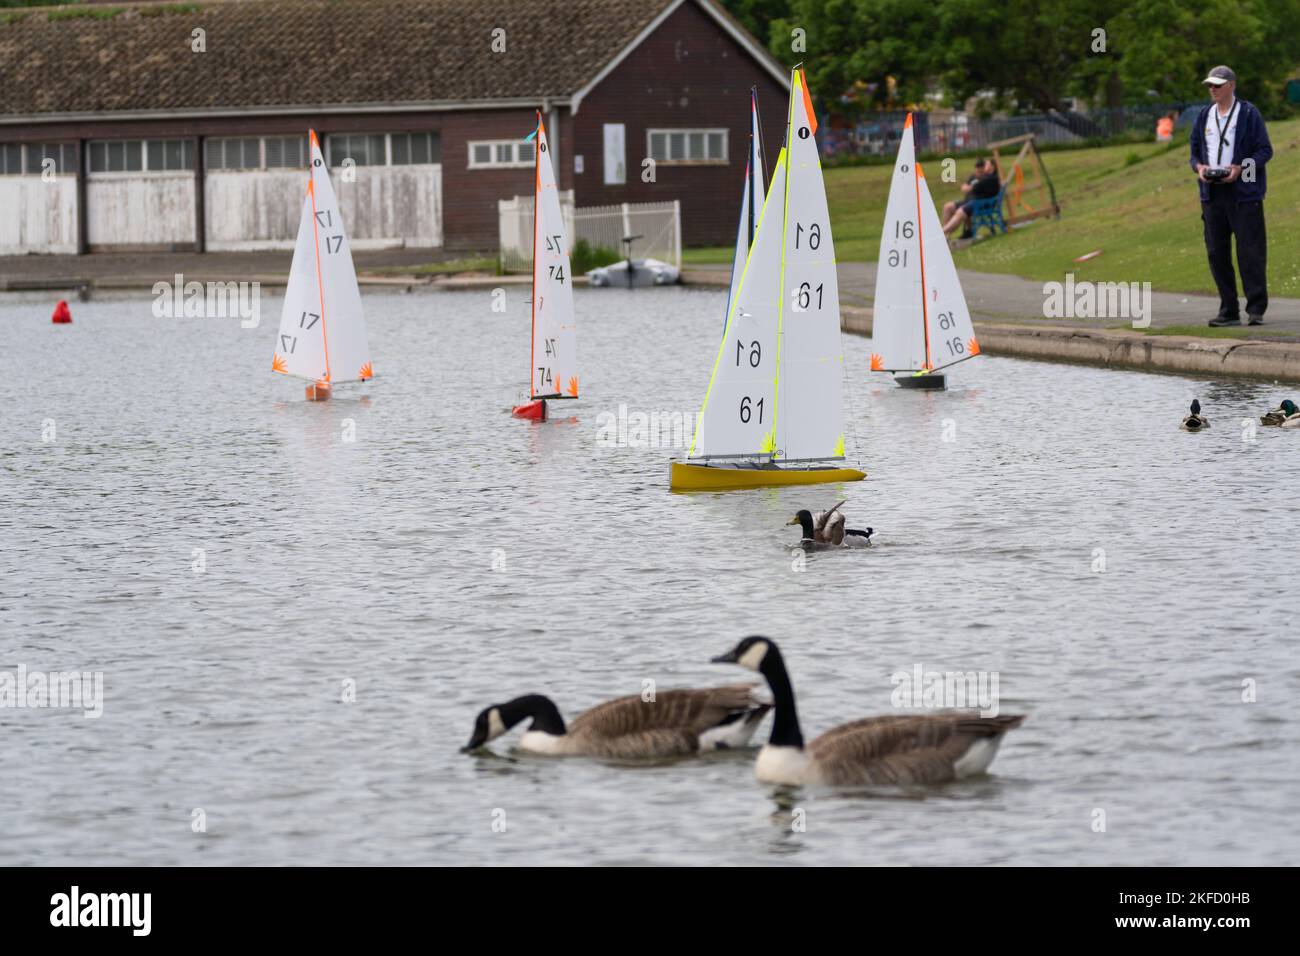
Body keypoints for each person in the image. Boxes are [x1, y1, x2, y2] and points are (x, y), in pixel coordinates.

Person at [1188, 65, 1272, 326]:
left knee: (1250, 251)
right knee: (1216, 252)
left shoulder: (1248, 113)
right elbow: (1194, 152)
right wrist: (1200, 168)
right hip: (1212, 193)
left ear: (1231, 85)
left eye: (1217, 85)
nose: (1212, 89)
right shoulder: (1204, 116)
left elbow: (1264, 151)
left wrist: (1239, 169)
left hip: (1244, 193)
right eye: (1209, 85)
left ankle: (1256, 308)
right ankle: (1228, 309)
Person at [943, 158, 1000, 237]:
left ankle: (942, 233)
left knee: (960, 212)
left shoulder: (991, 178)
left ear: (992, 167)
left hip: (980, 204)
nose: (984, 166)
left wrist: (968, 187)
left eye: (986, 164)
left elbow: (970, 188)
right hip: (971, 201)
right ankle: (946, 237)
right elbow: (967, 187)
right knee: (948, 207)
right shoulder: (983, 177)